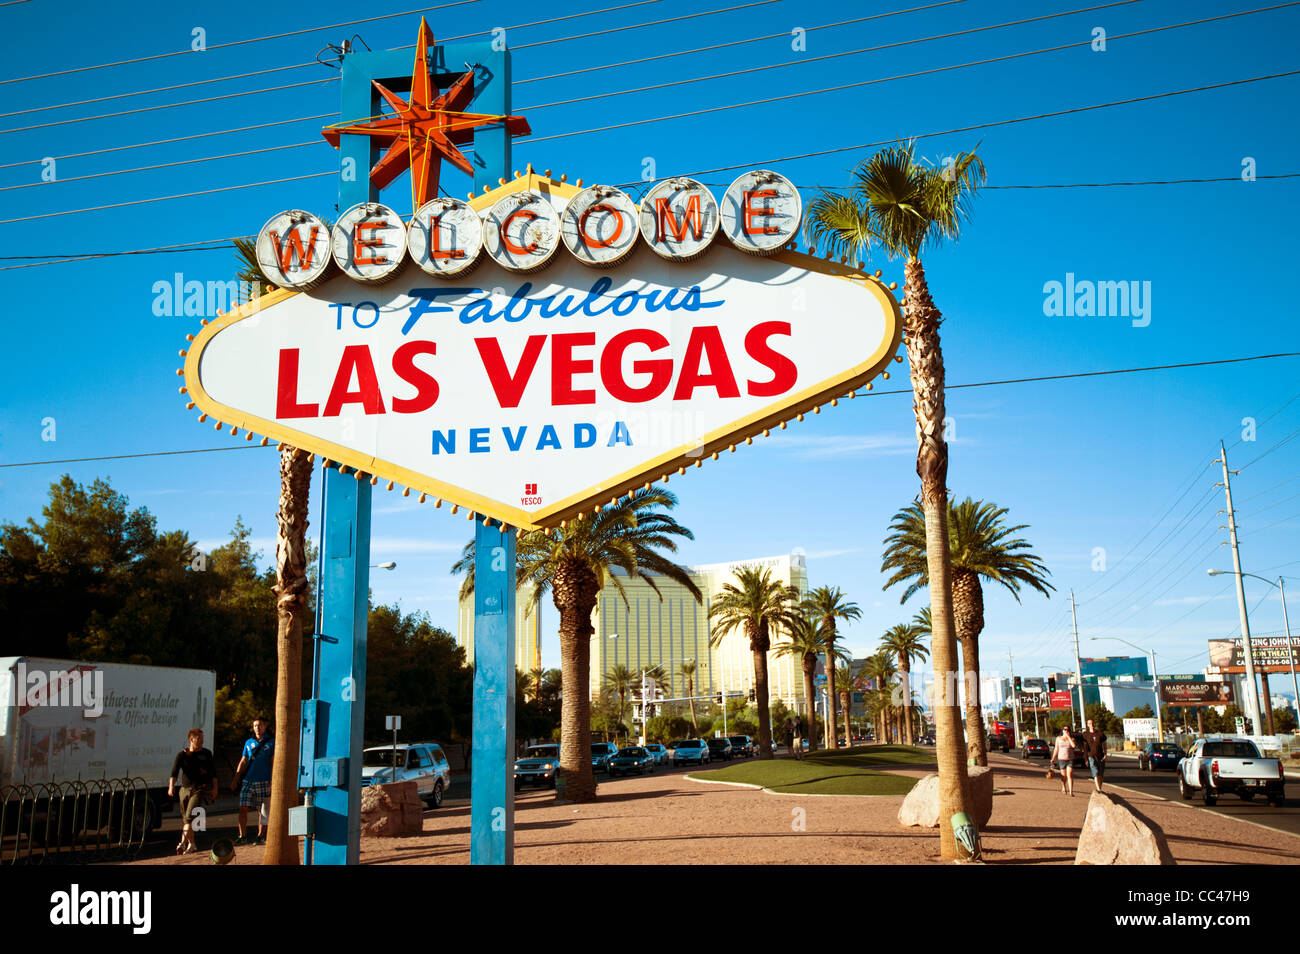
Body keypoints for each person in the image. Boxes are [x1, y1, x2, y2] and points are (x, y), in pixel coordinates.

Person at [168, 728, 217, 854]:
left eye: (202, 738)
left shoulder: (207, 754)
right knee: (186, 820)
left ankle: (182, 843)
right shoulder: (182, 755)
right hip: (184, 789)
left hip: (199, 789)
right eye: (199, 738)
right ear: (191, 739)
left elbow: (213, 774)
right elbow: (174, 772)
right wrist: (171, 787)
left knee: (189, 817)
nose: (202, 740)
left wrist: (215, 788)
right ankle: (192, 844)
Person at [230, 716, 274, 844]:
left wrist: (273, 780)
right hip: (248, 780)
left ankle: (260, 836)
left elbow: (273, 762)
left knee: (263, 810)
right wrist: (235, 778)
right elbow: (243, 761)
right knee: (243, 807)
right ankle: (242, 836)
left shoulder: (271, 742)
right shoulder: (248, 742)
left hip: (264, 781)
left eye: (260, 725)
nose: (257, 728)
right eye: (255, 725)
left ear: (265, 726)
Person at [1082, 718, 1107, 793]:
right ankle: (1098, 789)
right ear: (1087, 725)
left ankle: (1100, 788)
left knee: (1100, 774)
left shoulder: (1100, 734)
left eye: (1092, 723)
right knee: (1095, 772)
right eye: (1089, 723)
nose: (1091, 725)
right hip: (1091, 756)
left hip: (1101, 756)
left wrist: (1105, 754)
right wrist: (1086, 758)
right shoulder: (1085, 734)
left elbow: (1104, 744)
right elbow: (1085, 747)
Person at [1049, 725, 1075, 796]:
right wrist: (1053, 758)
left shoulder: (1071, 739)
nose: (1066, 731)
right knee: (1063, 776)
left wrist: (1068, 737)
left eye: (1067, 730)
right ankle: (1064, 787)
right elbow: (1056, 749)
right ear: (1062, 730)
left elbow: (1073, 746)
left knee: (1069, 775)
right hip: (1061, 759)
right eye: (1065, 729)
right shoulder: (1058, 738)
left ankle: (1071, 791)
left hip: (1070, 759)